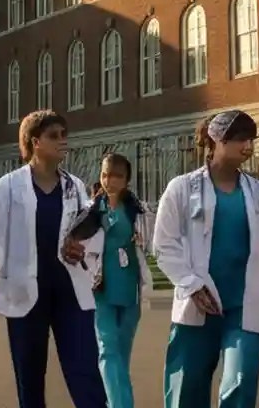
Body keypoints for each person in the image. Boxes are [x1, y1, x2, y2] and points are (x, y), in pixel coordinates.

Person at [153, 109, 259, 408]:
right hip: (198, 306)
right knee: (186, 390)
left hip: (244, 309)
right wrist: (192, 285)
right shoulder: (181, 188)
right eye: (239, 139)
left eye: (251, 140)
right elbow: (163, 245)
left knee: (240, 382)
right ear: (216, 140)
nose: (248, 146)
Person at [0, 110, 108, 408]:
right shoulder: (8, 186)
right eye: (54, 136)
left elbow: (89, 230)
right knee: (30, 377)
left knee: (85, 372)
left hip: (69, 292)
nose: (63, 141)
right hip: (25, 294)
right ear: (34, 141)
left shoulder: (73, 186)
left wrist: (82, 248)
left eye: (65, 135)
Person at [80, 152, 155, 408]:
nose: (109, 180)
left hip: (130, 288)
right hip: (101, 286)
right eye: (104, 174)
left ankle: (116, 403)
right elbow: (75, 239)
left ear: (127, 180)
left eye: (116, 175)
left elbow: (154, 240)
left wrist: (142, 237)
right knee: (107, 349)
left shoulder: (137, 209)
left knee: (121, 355)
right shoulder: (91, 210)